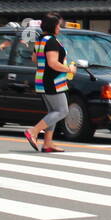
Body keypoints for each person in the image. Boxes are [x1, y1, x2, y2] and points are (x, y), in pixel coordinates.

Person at [24, 13, 75, 154]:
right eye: (58, 25)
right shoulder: (52, 41)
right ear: (53, 26)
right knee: (62, 110)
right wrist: (68, 68)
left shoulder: (41, 40)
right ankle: (33, 132)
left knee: (53, 112)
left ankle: (47, 144)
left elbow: (35, 59)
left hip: (42, 80)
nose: (60, 28)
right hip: (52, 81)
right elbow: (53, 63)